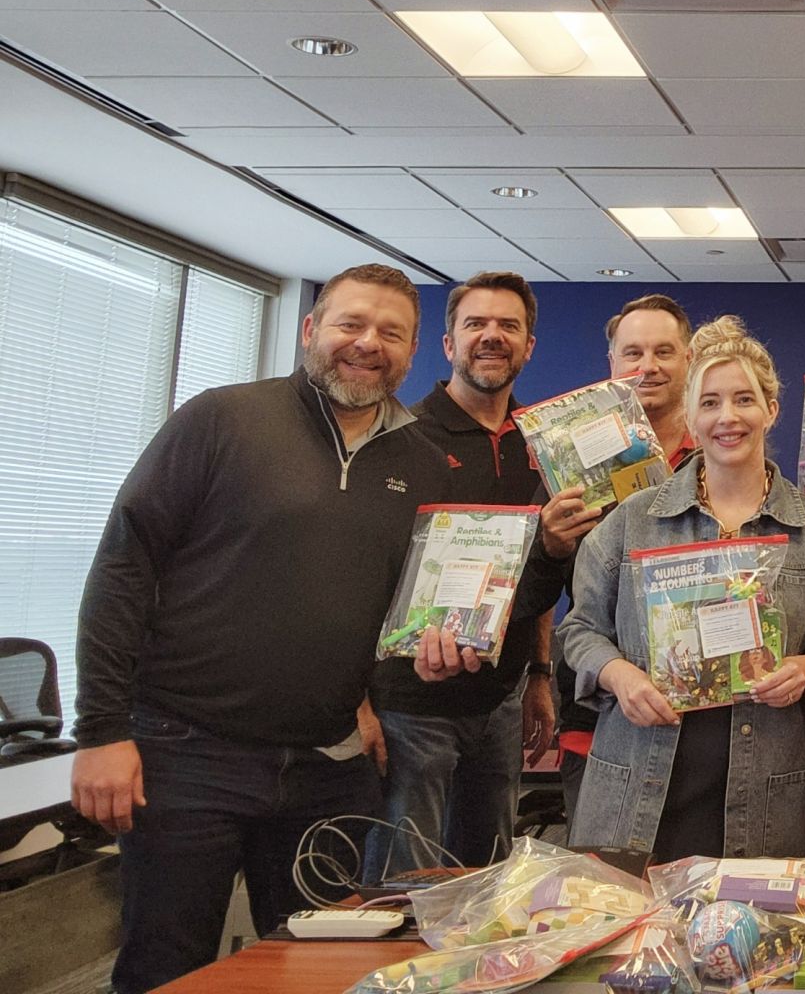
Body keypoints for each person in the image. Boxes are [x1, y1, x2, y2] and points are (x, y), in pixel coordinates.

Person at [71, 265, 454, 994]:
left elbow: (389, 610)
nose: (368, 344)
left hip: (328, 766)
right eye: (351, 323)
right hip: (186, 754)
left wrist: (395, 679)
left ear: (412, 352)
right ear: (311, 329)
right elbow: (123, 568)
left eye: (391, 333)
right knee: (167, 967)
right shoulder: (221, 419)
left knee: (316, 970)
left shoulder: (425, 466)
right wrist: (101, 732)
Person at [555, 317, 805, 859]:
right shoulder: (633, 520)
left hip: (769, 794)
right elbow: (580, 629)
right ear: (690, 417)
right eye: (710, 403)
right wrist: (619, 675)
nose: (727, 417)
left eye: (744, 399)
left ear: (771, 410)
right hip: (639, 784)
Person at [364, 273, 597, 877]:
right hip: (410, 707)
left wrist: (539, 675)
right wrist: (358, 705)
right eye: (476, 324)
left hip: (500, 702)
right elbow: (362, 578)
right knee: (406, 888)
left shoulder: (544, 446)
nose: (492, 336)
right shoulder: (400, 437)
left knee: (488, 882)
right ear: (448, 344)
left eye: (508, 326)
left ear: (529, 346)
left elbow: (536, 575)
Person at [557, 294, 698, 828]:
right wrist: (550, 546)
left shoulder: (722, 451)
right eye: (633, 353)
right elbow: (549, 595)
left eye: (664, 351)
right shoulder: (571, 463)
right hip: (597, 711)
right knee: (603, 869)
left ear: (689, 359)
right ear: (612, 363)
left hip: (701, 713)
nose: (648, 366)